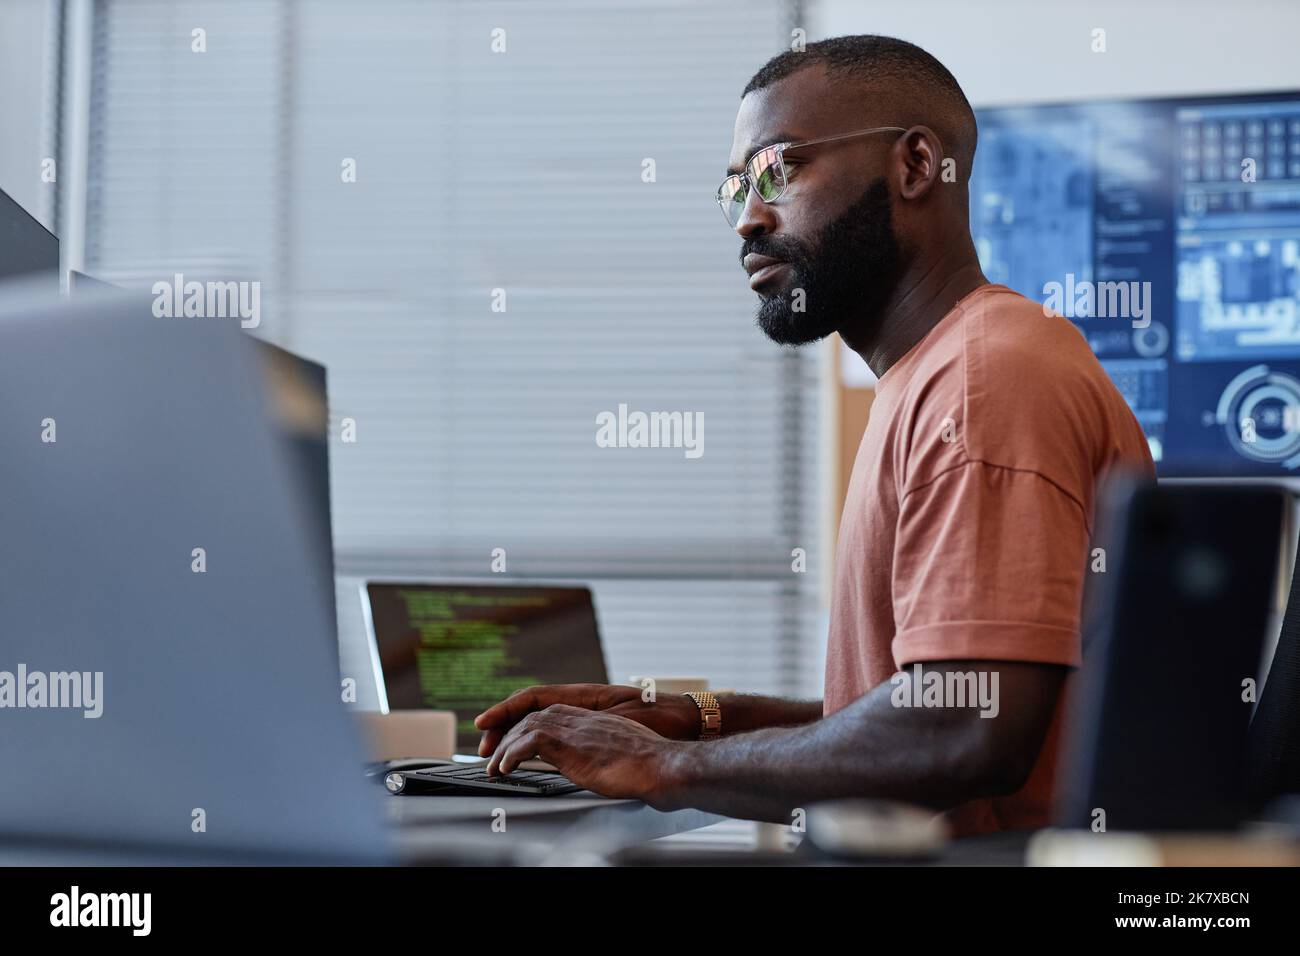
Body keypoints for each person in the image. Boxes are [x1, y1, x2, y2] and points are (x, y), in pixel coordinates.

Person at [475, 35, 1154, 835]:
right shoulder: (943, 373)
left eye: (778, 171)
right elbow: (904, 708)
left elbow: (962, 730)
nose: (748, 220)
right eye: (737, 190)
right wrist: (700, 721)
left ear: (915, 166)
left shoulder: (983, 384)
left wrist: (661, 767)